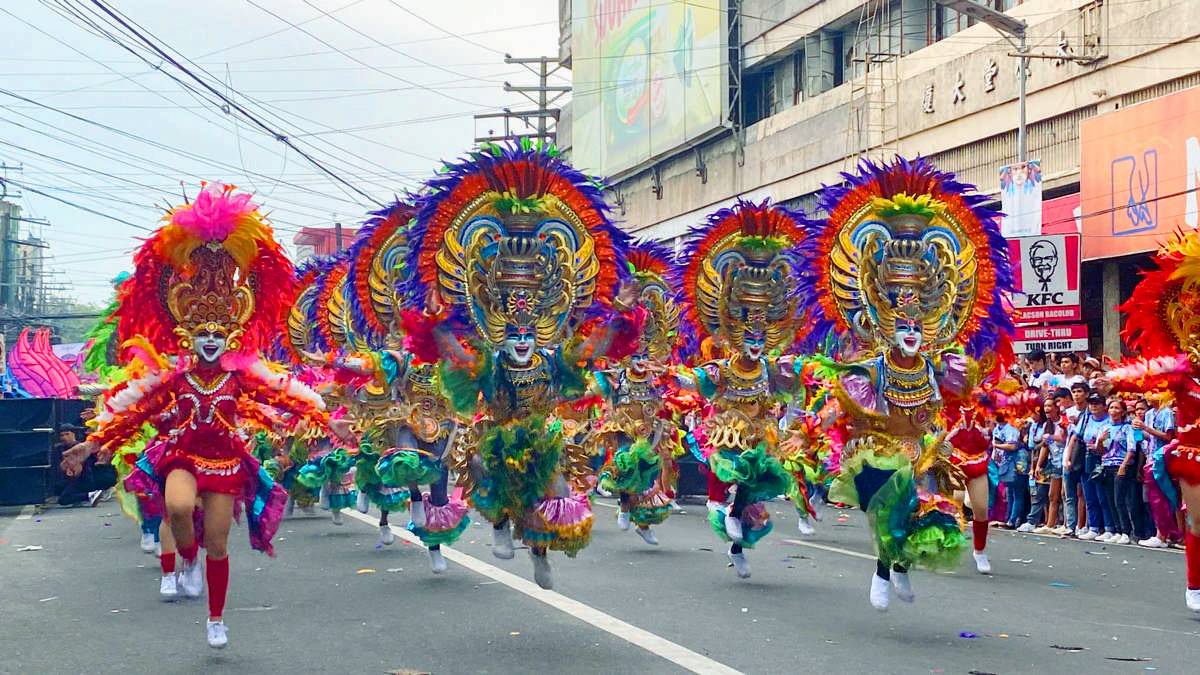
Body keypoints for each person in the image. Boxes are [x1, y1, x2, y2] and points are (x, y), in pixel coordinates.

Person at [62, 185, 342, 648]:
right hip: (182, 456)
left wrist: (326, 418)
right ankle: (184, 560)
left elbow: (285, 395)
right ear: (187, 333)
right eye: (201, 330)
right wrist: (91, 444)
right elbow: (132, 414)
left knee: (218, 543)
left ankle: (215, 617)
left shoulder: (240, 375)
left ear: (230, 334)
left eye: (218, 330)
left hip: (226, 463)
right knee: (175, 508)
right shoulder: (174, 376)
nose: (210, 338)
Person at [797, 157, 1014, 611]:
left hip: (926, 451)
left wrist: (981, 369)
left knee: (925, 516)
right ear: (885, 325)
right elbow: (849, 401)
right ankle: (881, 570)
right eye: (902, 324)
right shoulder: (872, 368)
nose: (911, 331)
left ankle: (899, 567)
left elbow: (968, 385)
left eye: (918, 324)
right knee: (889, 515)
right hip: (882, 453)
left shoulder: (938, 366)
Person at [678, 200, 807, 580]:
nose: (755, 341)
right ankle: (718, 505)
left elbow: (800, 388)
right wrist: (669, 376)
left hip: (758, 435)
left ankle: (737, 542)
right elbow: (694, 381)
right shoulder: (721, 368)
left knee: (753, 492)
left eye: (761, 335)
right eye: (747, 335)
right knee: (728, 470)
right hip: (725, 433)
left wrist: (798, 423)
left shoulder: (771, 367)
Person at [1138, 394, 1182, 548]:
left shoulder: (1167, 413)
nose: (1149, 396)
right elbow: (1147, 437)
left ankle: (1162, 535)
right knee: (1154, 499)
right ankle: (1164, 533)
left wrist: (1146, 428)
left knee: (1162, 498)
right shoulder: (1149, 414)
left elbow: (1168, 437)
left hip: (1162, 460)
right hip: (1150, 458)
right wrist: (1138, 429)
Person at [1095, 399, 1138, 544]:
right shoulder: (1105, 428)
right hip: (1107, 465)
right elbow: (1100, 451)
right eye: (1111, 408)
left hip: (1121, 465)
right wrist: (1100, 441)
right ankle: (1117, 529)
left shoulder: (1127, 428)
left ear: (1123, 412)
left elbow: (1131, 449)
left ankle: (1126, 531)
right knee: (1110, 499)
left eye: (1117, 408)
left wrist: (1124, 466)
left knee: (1120, 499)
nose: (1113, 411)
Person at [1072, 394, 1114, 541]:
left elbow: (1108, 443)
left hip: (1102, 458)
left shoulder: (1109, 422)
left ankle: (1109, 527)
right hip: (1086, 457)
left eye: (1097, 403)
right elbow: (1077, 436)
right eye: (1091, 403)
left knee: (1102, 495)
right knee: (1089, 494)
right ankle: (1093, 526)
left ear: (1104, 406)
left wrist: (1099, 444)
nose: (1093, 406)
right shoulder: (1086, 419)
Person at [1032, 398, 1067, 534]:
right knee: (1052, 495)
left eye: (1049, 406)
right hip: (1054, 462)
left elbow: (1064, 439)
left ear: (1056, 408)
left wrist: (1051, 437)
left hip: (1066, 461)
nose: (1046, 408)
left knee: (1065, 494)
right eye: (1045, 406)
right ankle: (1050, 524)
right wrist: (1038, 465)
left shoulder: (1063, 422)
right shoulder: (1047, 425)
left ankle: (1066, 524)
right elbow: (1044, 447)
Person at [1061, 382, 1091, 537]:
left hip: (1085, 454)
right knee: (1069, 494)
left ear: (1086, 394)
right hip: (1070, 453)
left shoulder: (1090, 411)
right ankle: (1071, 526)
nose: (1076, 394)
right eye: (1074, 392)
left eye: (1080, 391)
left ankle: (1086, 526)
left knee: (1085, 492)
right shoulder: (1068, 412)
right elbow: (1066, 436)